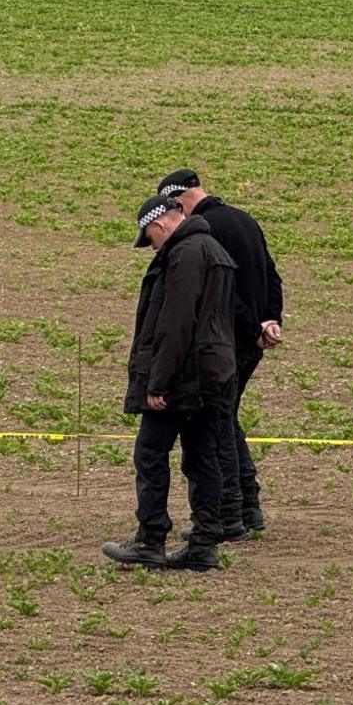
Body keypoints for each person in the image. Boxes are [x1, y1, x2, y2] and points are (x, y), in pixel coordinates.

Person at [102, 192, 238, 573]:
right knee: (202, 455)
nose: (151, 246)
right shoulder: (214, 250)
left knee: (149, 452)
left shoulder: (185, 255)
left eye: (149, 237)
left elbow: (176, 324)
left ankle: (150, 538)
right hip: (213, 373)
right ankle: (204, 543)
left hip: (184, 377)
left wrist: (158, 383)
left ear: (159, 224)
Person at [157, 170, 283, 540]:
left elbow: (224, 293)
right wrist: (270, 319)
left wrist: (251, 329)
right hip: (252, 339)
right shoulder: (244, 219)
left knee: (218, 425)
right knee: (227, 419)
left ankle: (233, 514)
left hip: (230, 342)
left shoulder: (206, 230)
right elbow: (272, 274)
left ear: (180, 200)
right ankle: (249, 507)